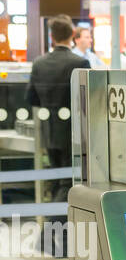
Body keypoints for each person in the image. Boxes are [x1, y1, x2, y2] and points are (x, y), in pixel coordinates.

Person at [27, 14, 88, 193]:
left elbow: (31, 97)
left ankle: (52, 218)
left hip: (49, 130)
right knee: (69, 181)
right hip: (74, 132)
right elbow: (88, 99)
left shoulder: (39, 63)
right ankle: (59, 218)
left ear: (51, 36)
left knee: (55, 177)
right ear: (72, 35)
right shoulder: (80, 63)